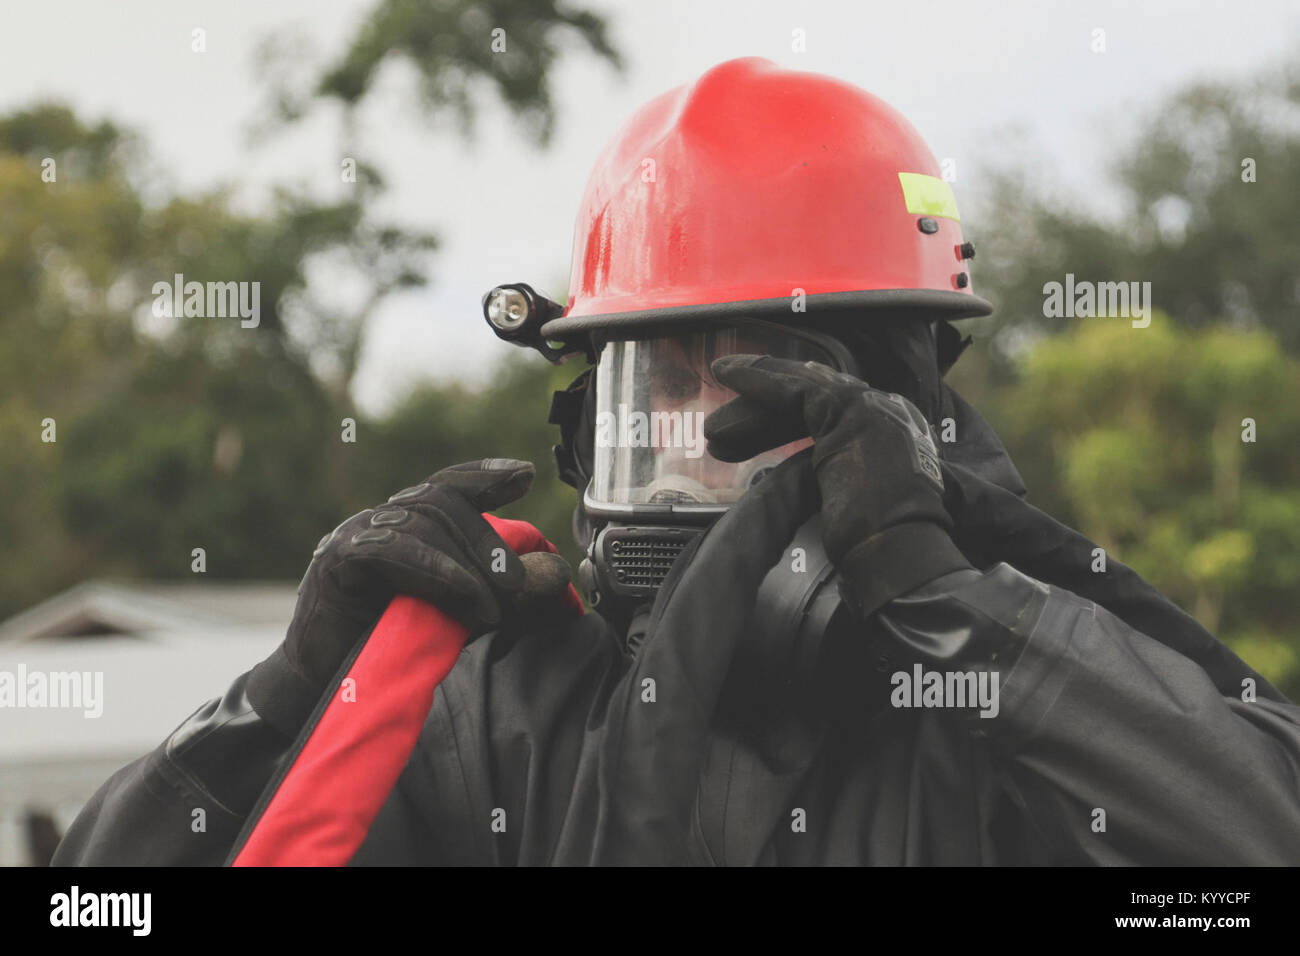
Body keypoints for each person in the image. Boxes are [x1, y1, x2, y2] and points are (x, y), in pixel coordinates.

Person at [54, 57, 1300, 866]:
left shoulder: (1015, 688)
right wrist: (276, 702)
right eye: (651, 381)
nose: (695, 433)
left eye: (753, 376)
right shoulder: (488, 717)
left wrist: (958, 610)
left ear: (895, 402)